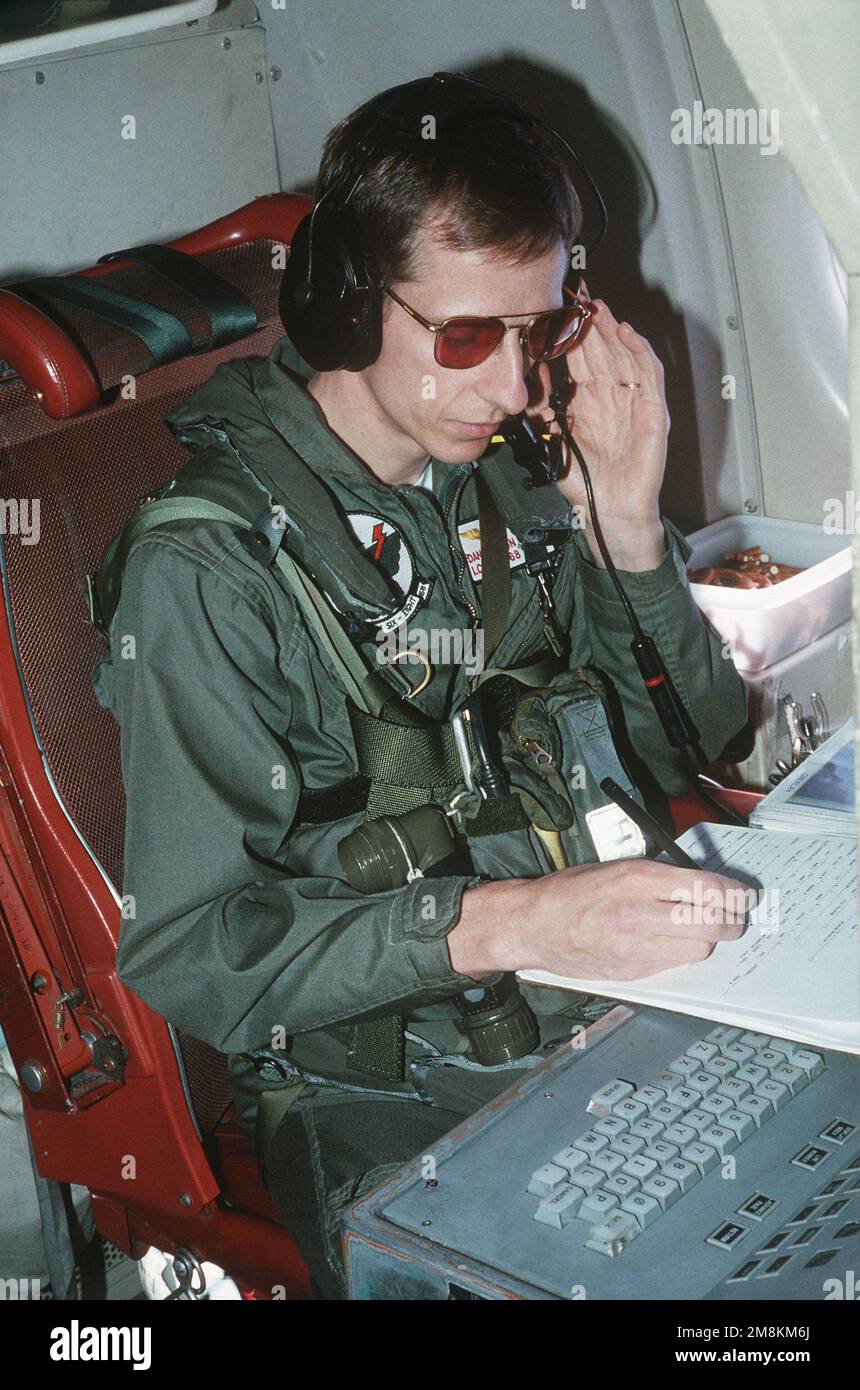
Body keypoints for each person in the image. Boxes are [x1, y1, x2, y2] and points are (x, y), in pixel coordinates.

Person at [92, 74, 750, 1299]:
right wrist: (519, 921)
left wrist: (625, 517)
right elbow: (193, 951)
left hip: (586, 984)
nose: (512, 389)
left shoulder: (497, 478)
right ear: (347, 307)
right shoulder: (207, 573)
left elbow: (689, 745)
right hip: (379, 1078)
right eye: (464, 336)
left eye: (539, 331)